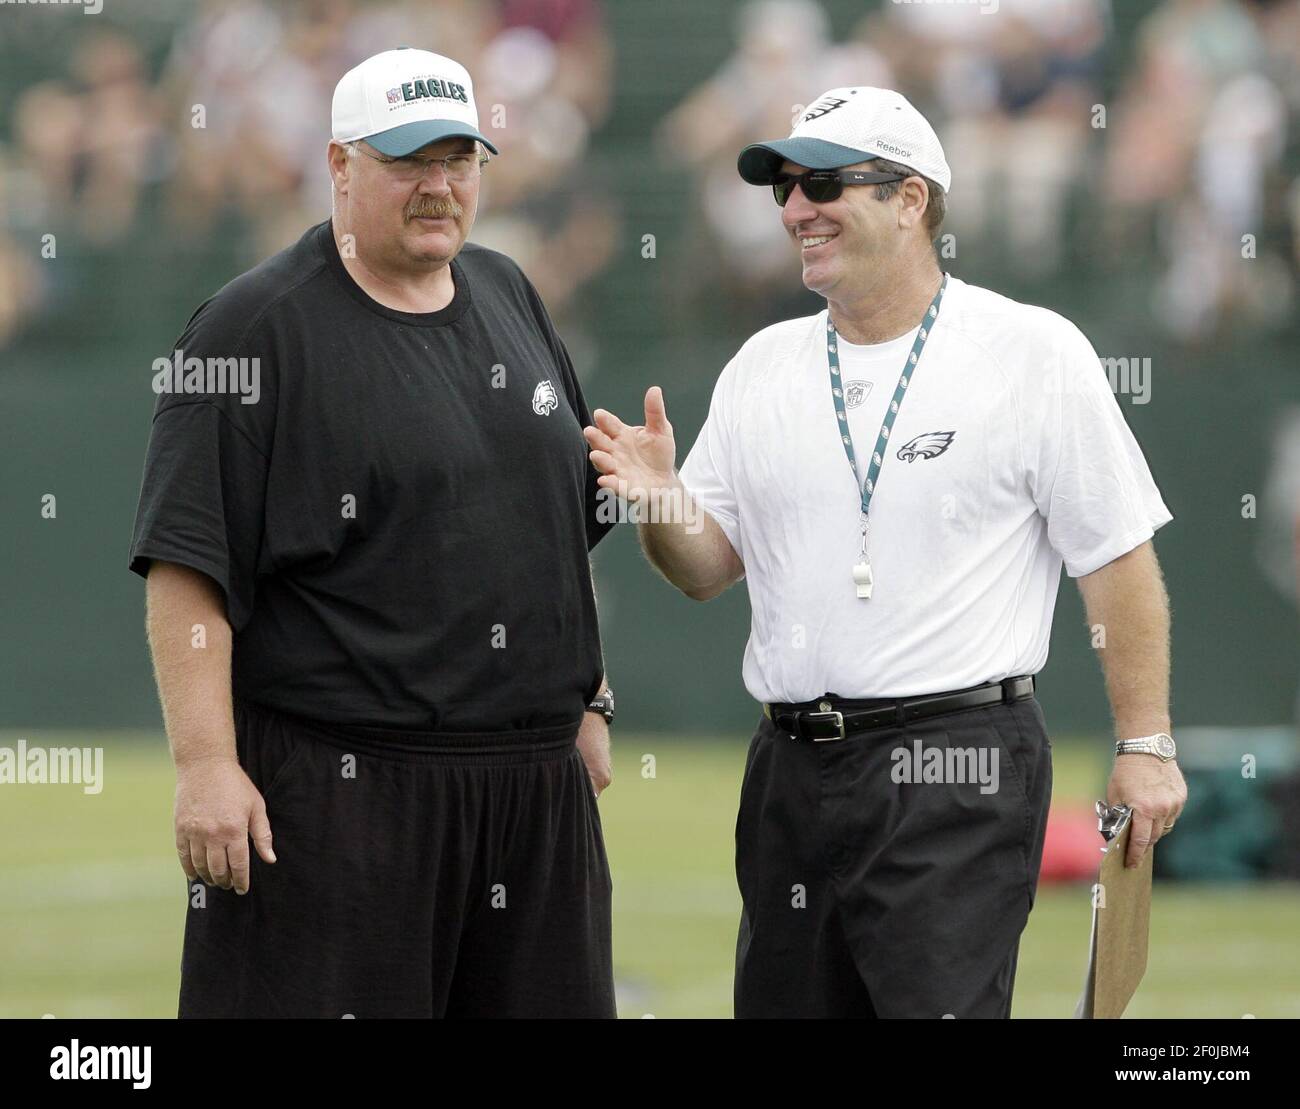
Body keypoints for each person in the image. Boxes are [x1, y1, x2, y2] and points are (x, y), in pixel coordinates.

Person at [584, 86, 1186, 1018]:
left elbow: (1116, 561)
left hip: (955, 763)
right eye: (782, 187)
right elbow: (705, 569)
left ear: (911, 199)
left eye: (823, 181)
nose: (794, 208)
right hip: (789, 769)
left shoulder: (1031, 352)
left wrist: (1145, 745)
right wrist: (662, 499)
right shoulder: (761, 367)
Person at [129, 47, 618, 1019]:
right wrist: (205, 765)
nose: (439, 185)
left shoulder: (510, 293)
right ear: (340, 165)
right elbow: (187, 566)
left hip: (531, 800)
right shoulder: (248, 328)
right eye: (408, 160)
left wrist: (590, 695)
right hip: (346, 793)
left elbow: (547, 534)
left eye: (459, 159)